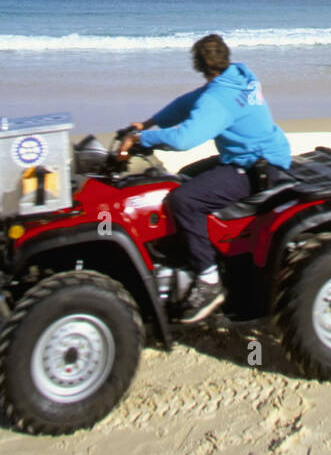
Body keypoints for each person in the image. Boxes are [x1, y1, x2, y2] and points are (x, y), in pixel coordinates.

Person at [117, 34, 291, 322]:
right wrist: (148, 123)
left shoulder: (218, 98)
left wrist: (141, 138)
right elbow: (187, 102)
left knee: (184, 200)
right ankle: (194, 249)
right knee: (183, 177)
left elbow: (185, 138)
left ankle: (208, 278)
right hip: (262, 155)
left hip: (257, 168)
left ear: (198, 64)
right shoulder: (241, 75)